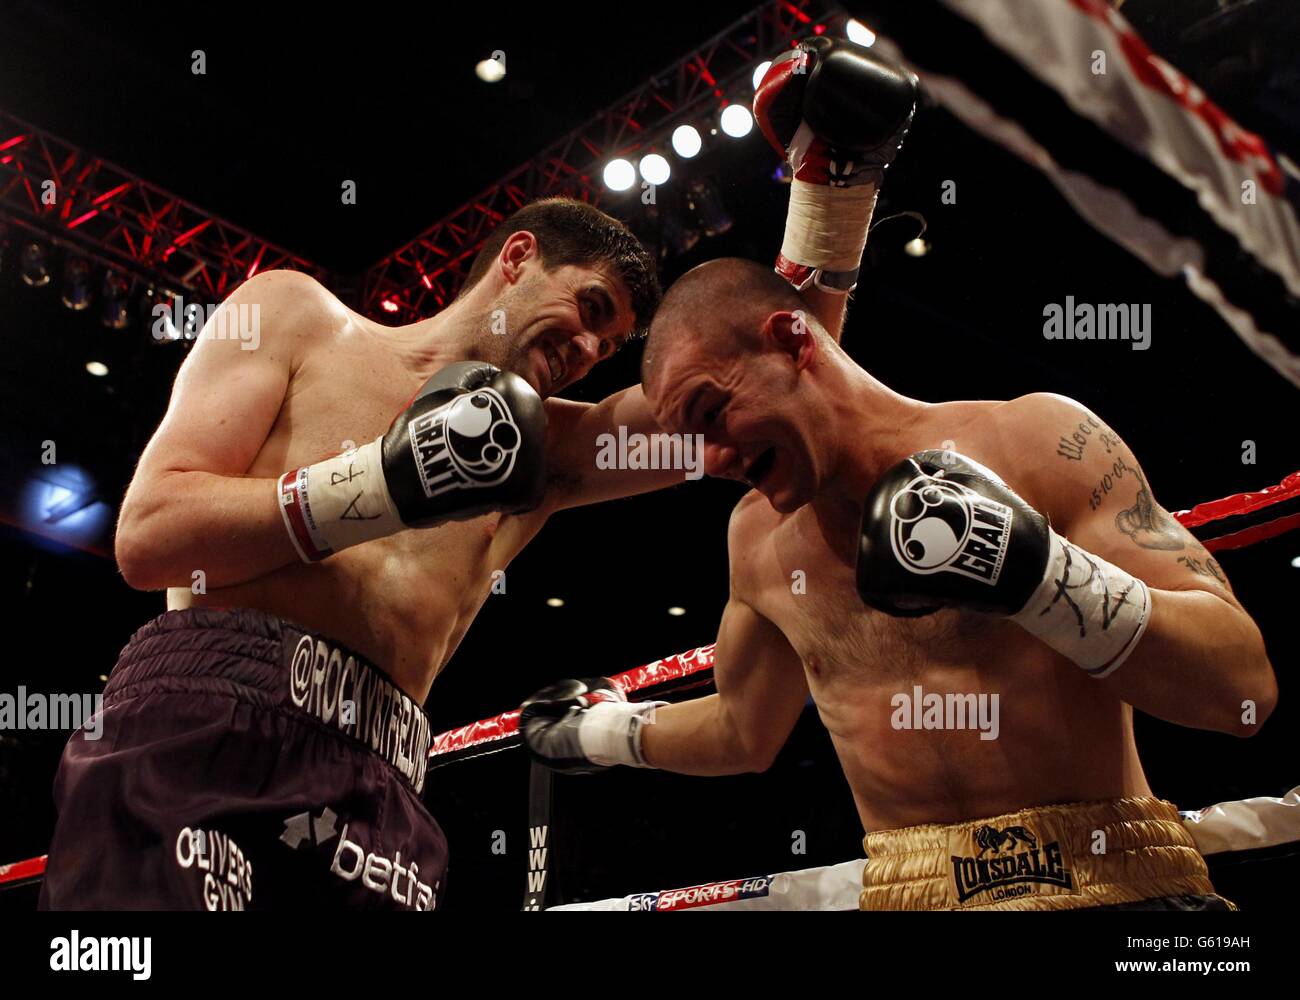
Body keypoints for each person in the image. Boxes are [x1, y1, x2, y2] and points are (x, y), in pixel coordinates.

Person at [521, 256, 1277, 911]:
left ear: (791, 340)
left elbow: (1240, 689)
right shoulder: (755, 542)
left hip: (1112, 876)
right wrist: (601, 732)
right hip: (909, 891)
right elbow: (742, 731)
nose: (711, 458)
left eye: (714, 414)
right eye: (692, 439)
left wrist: (1038, 575)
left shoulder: (1034, 441)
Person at [41, 197, 675, 910]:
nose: (590, 350)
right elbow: (150, 538)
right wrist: (382, 484)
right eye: (591, 308)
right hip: (207, 724)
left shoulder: (539, 451)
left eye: (610, 345)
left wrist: (823, 206)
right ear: (518, 257)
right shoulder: (299, 318)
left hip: (381, 783)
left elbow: (739, 406)